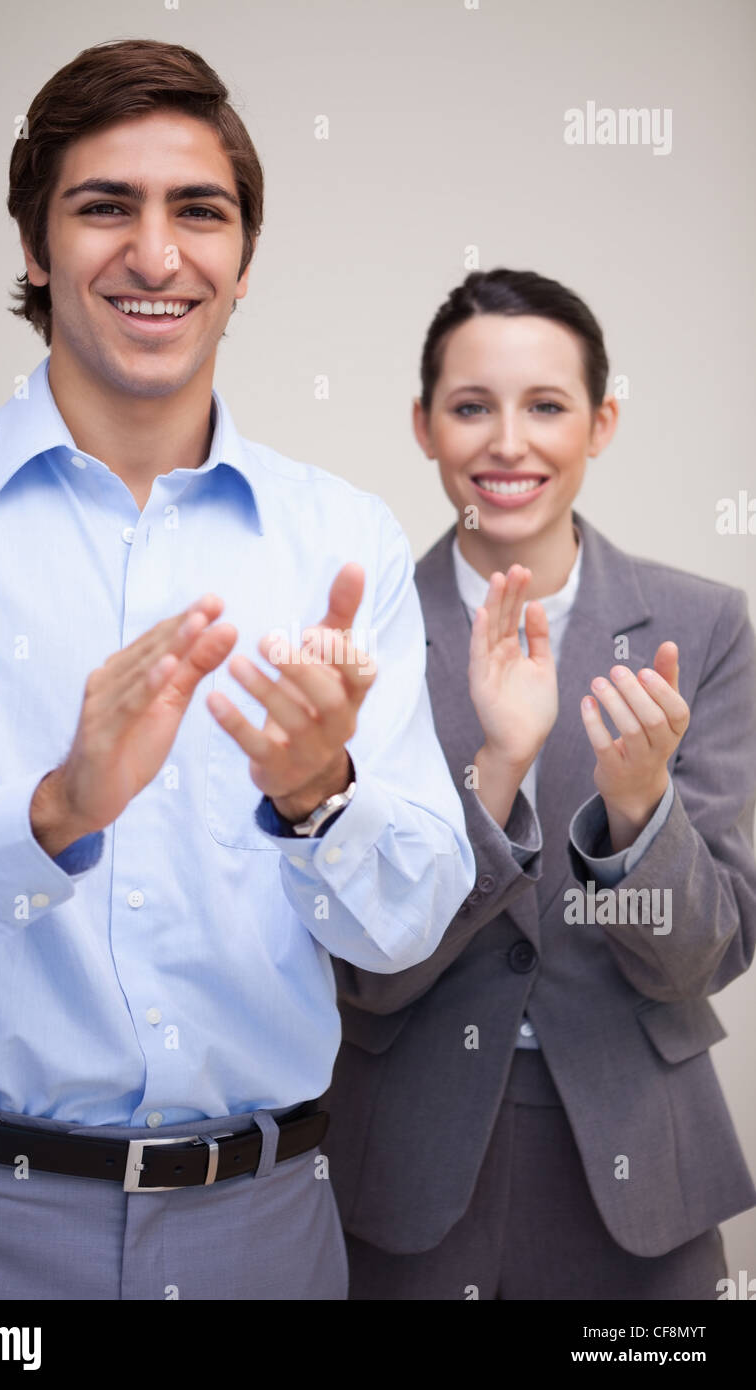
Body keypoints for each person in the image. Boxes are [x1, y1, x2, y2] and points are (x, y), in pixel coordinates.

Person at [0, 39, 477, 1302]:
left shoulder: (341, 538)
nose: (156, 256)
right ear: (35, 249)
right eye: (105, 207)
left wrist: (321, 797)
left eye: (197, 212)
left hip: (262, 1236)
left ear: (242, 262)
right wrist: (51, 815)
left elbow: (409, 918)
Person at [324, 268, 756, 1300]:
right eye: (470, 406)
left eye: (546, 406)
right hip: (404, 1163)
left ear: (600, 421)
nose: (506, 443)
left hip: (637, 1160)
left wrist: (638, 809)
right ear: (422, 425)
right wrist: (496, 773)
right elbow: (355, 964)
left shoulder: (702, 625)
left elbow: (704, 952)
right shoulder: (359, 633)